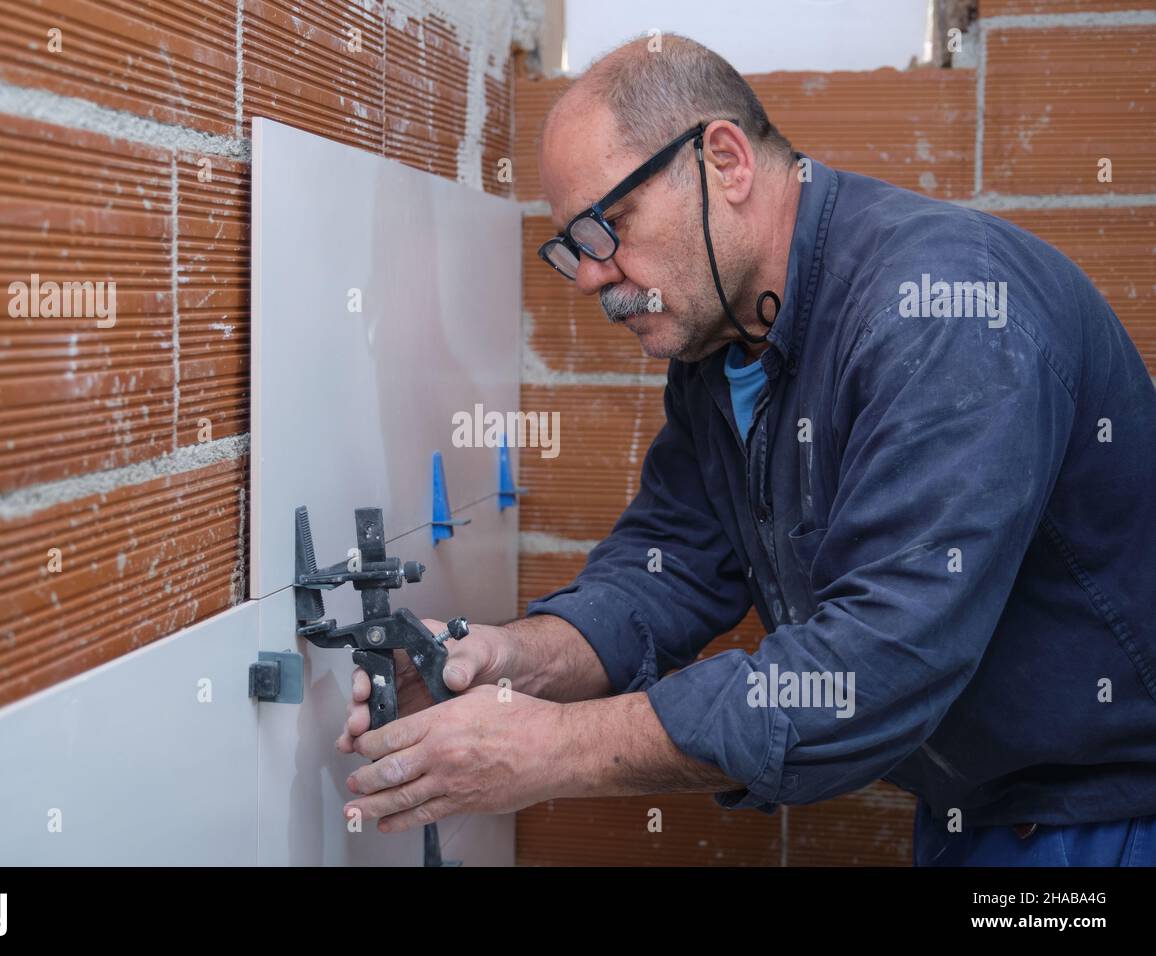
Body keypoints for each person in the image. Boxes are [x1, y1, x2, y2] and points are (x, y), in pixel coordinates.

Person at [336, 34, 1156, 866]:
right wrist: (507, 660)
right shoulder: (724, 344)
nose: (589, 278)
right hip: (978, 814)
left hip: (1108, 821)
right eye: (569, 248)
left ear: (724, 161)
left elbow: (877, 668)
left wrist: (543, 748)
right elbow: (672, 568)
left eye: (606, 226)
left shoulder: (944, 317)